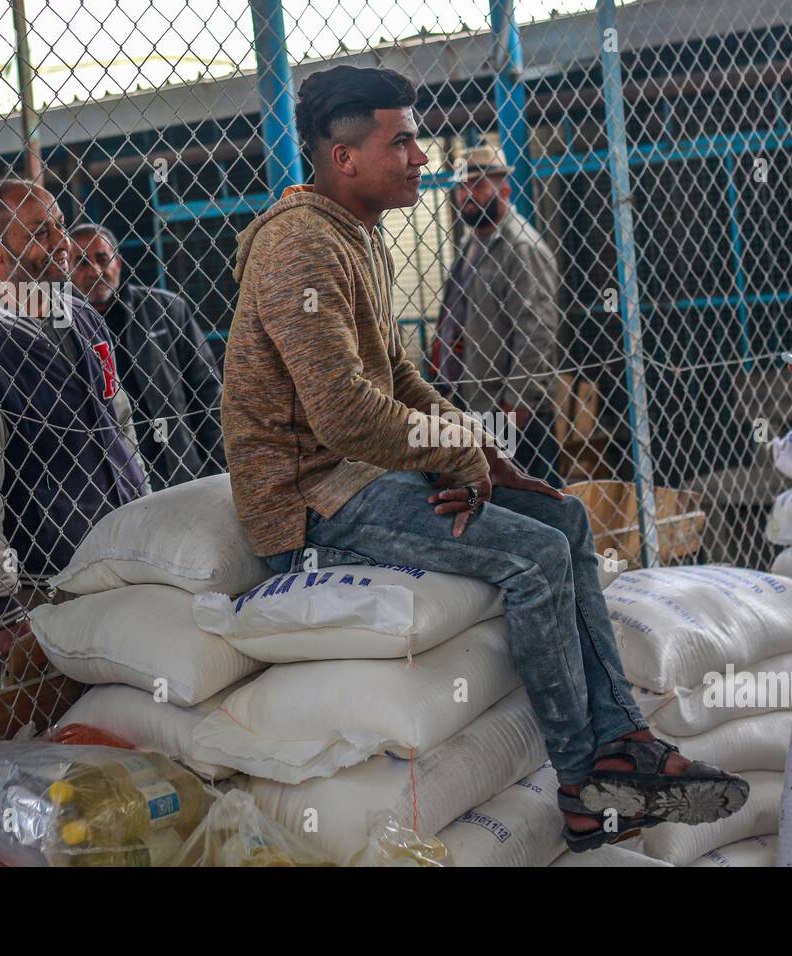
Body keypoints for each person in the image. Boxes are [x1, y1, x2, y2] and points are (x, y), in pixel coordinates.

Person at [221, 64, 748, 852]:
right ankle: (582, 781)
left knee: (564, 518)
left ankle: (627, 745)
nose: (421, 160)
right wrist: (457, 454)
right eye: (401, 143)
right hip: (309, 503)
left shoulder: (360, 236)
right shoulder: (298, 246)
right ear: (345, 159)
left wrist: (481, 456)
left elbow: (398, 376)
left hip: (367, 478)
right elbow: (339, 412)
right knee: (533, 557)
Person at [0, 179, 148, 656]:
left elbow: (120, 421)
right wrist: (2, 606)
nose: (62, 243)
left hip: (128, 550)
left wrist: (145, 505)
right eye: (40, 232)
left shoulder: (83, 316)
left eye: (59, 225)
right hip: (52, 580)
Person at [428, 144, 563, 486]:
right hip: (474, 405)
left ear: (504, 188)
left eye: (479, 184)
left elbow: (536, 334)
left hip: (509, 412)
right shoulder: (474, 243)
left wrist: (514, 410)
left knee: (532, 506)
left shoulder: (520, 248)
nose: (468, 194)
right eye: (462, 187)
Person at [70, 223, 225, 490]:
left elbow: (207, 389)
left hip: (179, 468)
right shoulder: (64, 329)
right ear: (67, 271)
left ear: (117, 263)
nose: (94, 271)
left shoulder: (166, 310)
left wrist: (218, 466)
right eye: (81, 262)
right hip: (113, 479)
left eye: (102, 259)